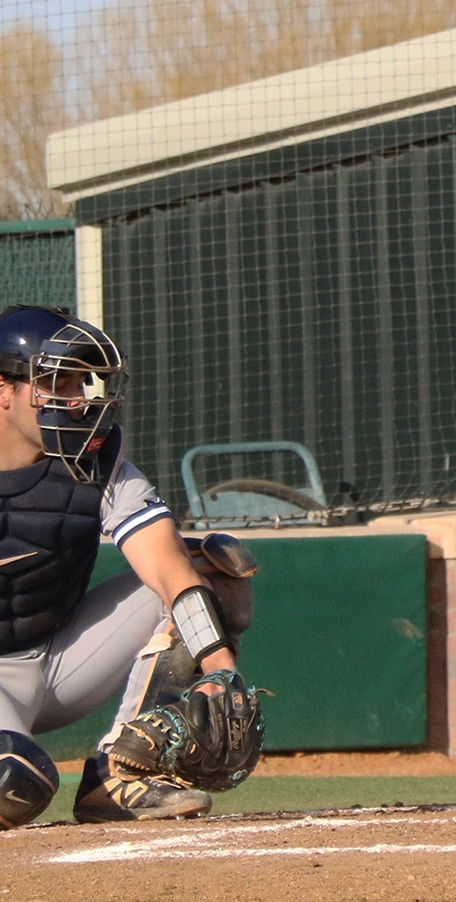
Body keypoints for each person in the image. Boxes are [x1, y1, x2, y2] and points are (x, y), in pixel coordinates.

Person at [0, 305, 264, 826]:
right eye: (58, 382)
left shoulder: (96, 460)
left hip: (54, 662)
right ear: (3, 390)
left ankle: (118, 775)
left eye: (82, 382)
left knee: (207, 570)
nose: (79, 401)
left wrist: (222, 673)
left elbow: (169, 570)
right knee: (16, 784)